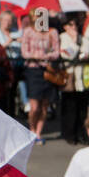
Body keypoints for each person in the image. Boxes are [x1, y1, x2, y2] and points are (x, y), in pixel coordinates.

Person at [21, 10, 60, 141]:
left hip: (47, 71)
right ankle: (31, 129)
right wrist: (36, 56)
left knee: (44, 105)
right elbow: (24, 53)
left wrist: (46, 56)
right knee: (34, 106)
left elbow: (56, 52)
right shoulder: (28, 32)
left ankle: (38, 132)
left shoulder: (52, 32)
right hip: (33, 71)